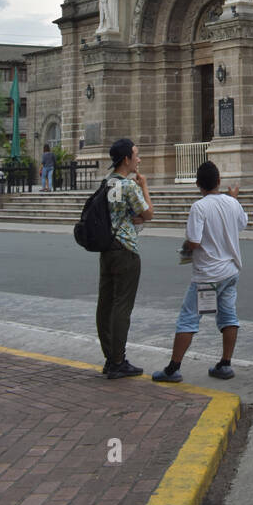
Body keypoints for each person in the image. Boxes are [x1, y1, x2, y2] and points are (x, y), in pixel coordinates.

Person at [153, 161, 247, 383]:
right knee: (228, 315)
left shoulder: (199, 207)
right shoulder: (232, 203)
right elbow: (241, 223)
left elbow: (194, 242)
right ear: (219, 182)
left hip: (208, 274)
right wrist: (233, 198)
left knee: (188, 318)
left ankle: (173, 367)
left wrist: (185, 248)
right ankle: (225, 363)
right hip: (230, 271)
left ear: (198, 184)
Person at [97, 138, 154, 379]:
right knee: (122, 306)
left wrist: (134, 217)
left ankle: (110, 357)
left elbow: (121, 213)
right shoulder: (129, 186)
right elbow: (148, 214)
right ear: (126, 159)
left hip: (108, 248)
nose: (139, 159)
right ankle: (119, 360)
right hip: (126, 249)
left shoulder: (107, 183)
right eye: (136, 155)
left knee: (106, 304)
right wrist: (144, 186)